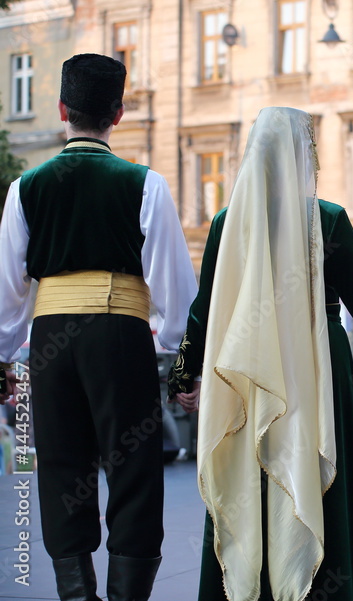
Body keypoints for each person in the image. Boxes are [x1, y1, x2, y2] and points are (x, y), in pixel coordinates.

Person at [166, 107, 353, 601]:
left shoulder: (227, 222)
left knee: (252, 474)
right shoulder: (327, 220)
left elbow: (204, 309)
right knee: (318, 475)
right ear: (303, 157)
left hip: (251, 369)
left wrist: (184, 377)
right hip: (319, 365)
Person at [0, 54, 197, 601]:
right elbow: (174, 286)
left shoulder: (25, 188)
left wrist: (6, 357)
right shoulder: (145, 183)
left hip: (50, 338)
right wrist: (181, 359)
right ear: (119, 113)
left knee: (61, 467)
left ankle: (77, 595)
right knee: (134, 470)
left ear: (62, 110)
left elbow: (8, 290)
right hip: (119, 334)